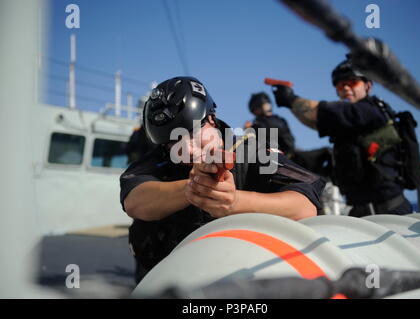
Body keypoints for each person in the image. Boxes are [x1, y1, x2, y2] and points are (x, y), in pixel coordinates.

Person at [120, 76, 325, 283]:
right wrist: (192, 189)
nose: (188, 149)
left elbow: (305, 205)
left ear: (211, 118)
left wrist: (236, 202)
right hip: (165, 278)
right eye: (174, 142)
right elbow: (134, 200)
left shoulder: (254, 152)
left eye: (192, 133)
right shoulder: (160, 160)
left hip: (244, 277)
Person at [271, 56, 414, 217]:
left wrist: (290, 99)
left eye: (352, 82)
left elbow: (321, 114)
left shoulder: (367, 110)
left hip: (388, 212)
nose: (345, 88)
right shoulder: (353, 120)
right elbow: (316, 121)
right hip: (363, 211)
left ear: (368, 86)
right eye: (340, 85)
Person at [247, 92, 332, 178]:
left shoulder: (276, 120)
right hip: (280, 161)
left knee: (327, 153)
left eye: (267, 103)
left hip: (292, 157)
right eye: (263, 105)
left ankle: (325, 181)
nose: (267, 106)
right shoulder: (259, 124)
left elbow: (289, 141)